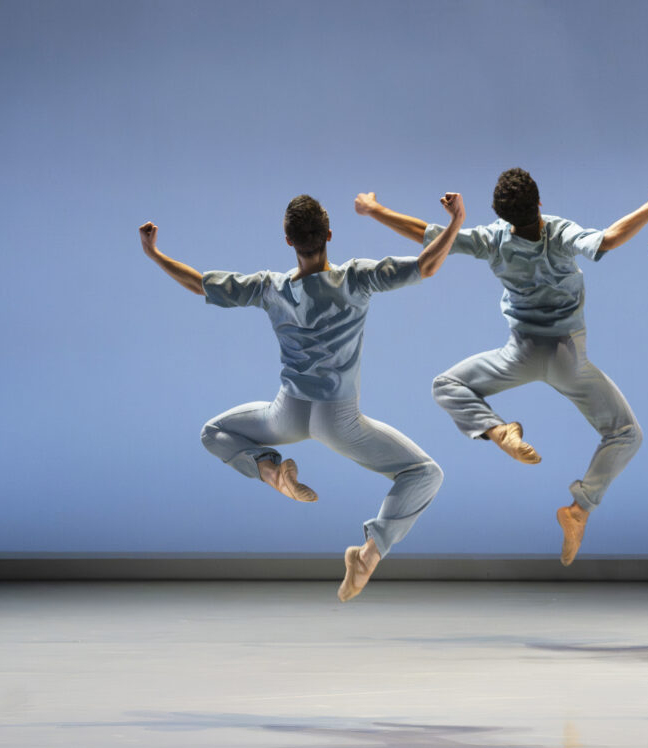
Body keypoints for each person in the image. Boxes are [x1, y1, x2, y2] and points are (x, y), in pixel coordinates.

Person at [138, 192, 465, 601]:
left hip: (286, 413)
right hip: (339, 419)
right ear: (329, 234)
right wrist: (455, 222)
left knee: (213, 432)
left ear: (289, 241)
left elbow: (198, 284)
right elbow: (427, 266)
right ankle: (369, 553)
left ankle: (270, 472)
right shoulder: (356, 279)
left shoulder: (269, 288)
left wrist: (154, 254)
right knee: (425, 473)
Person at [354, 170, 648, 565]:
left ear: (504, 217)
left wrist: (374, 209)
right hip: (567, 358)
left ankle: (497, 429)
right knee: (625, 433)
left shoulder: (494, 239)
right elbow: (607, 240)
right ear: (539, 204)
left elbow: (429, 234)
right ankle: (580, 507)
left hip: (519, 353)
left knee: (447, 384)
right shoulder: (557, 233)